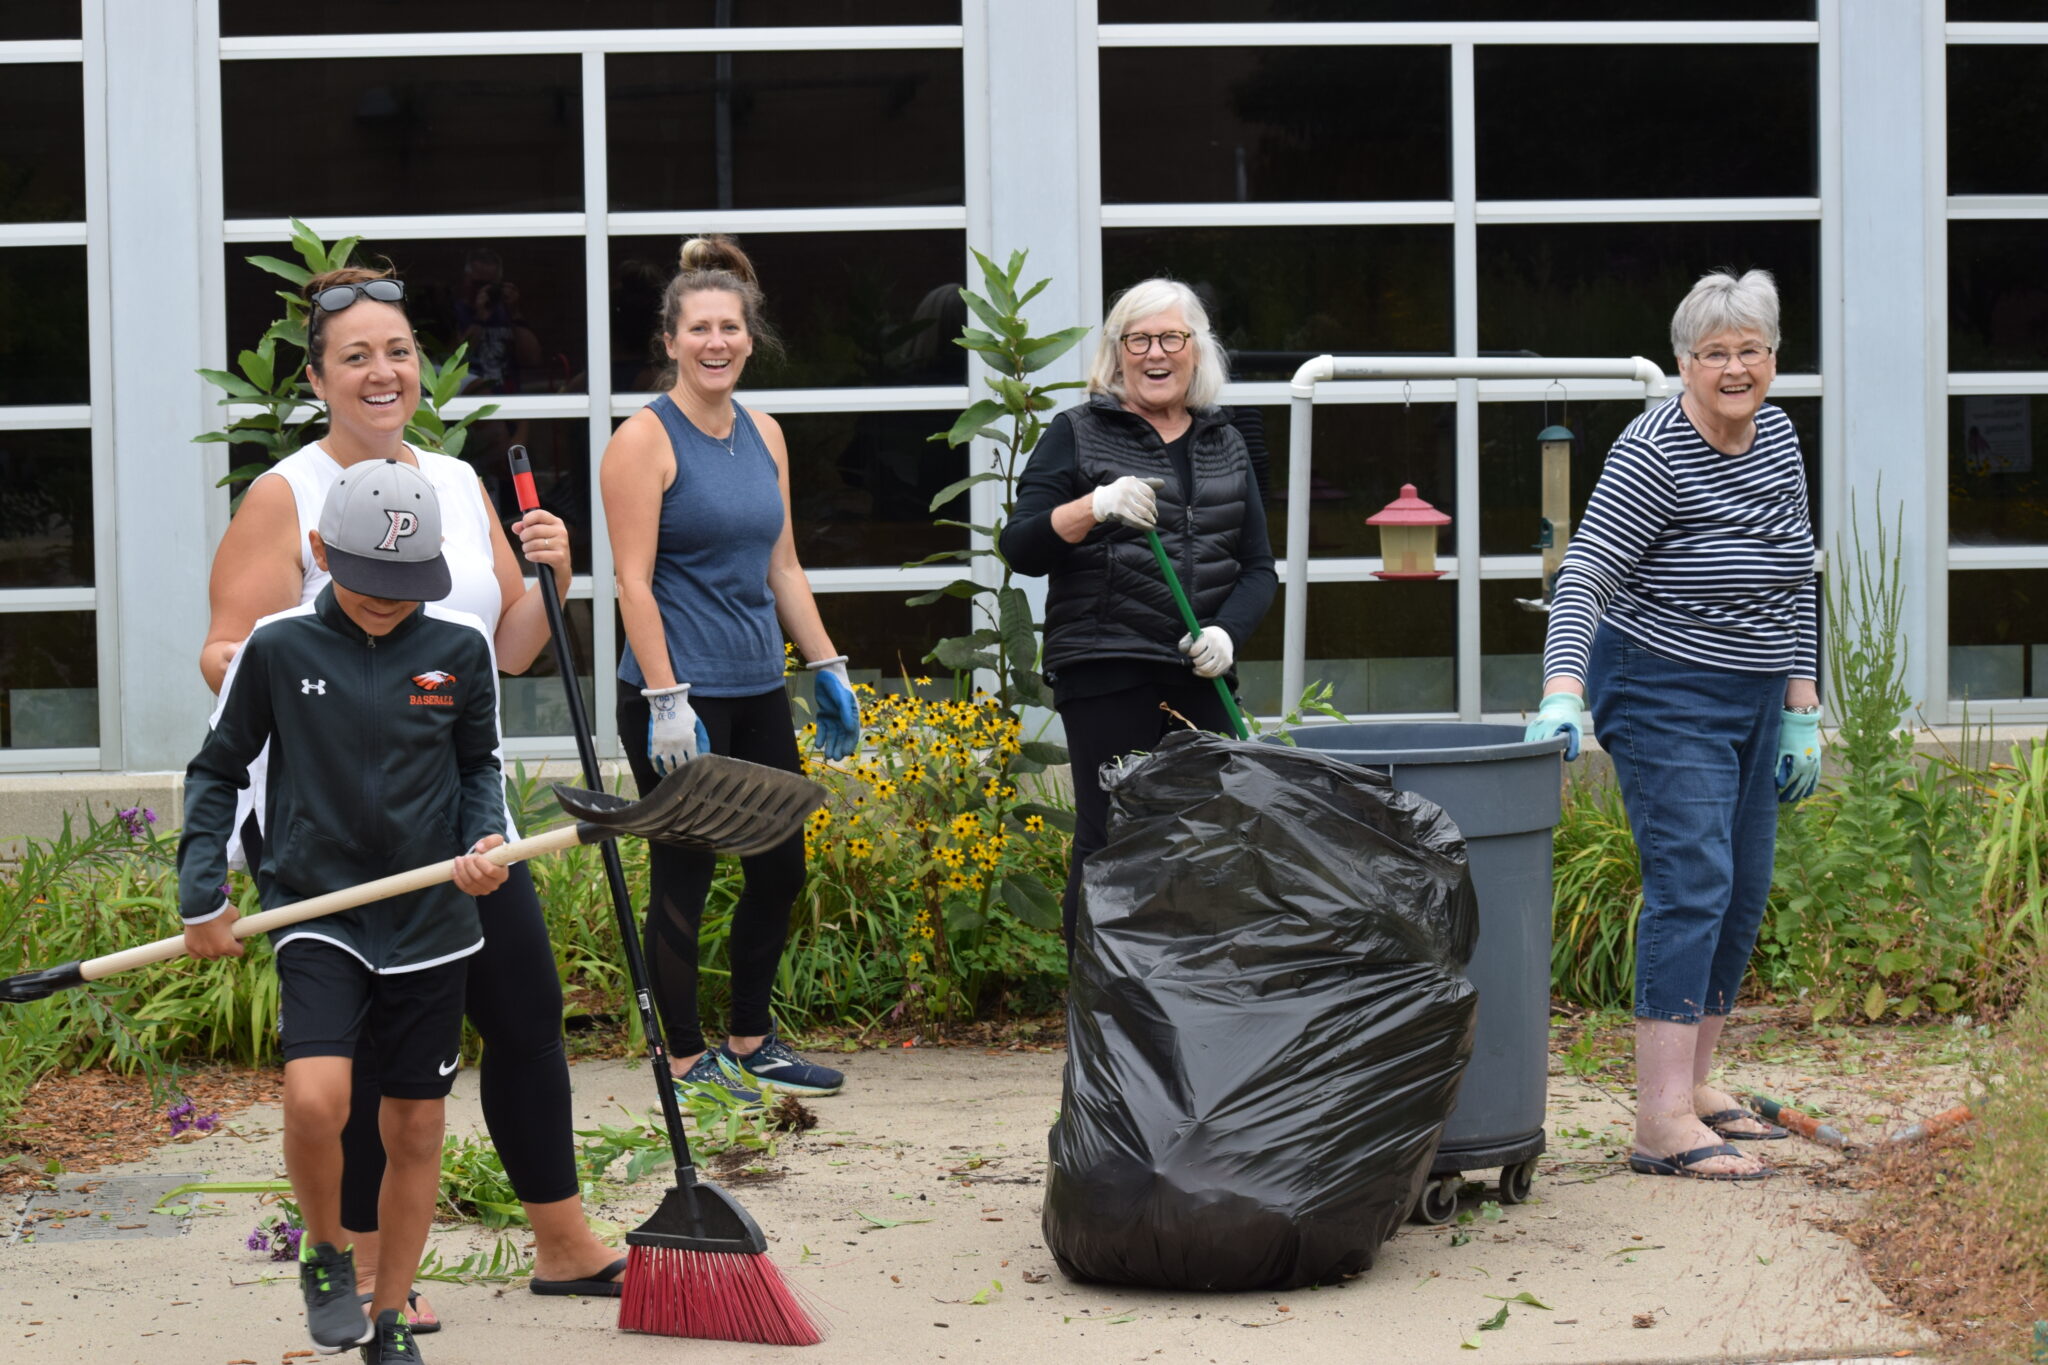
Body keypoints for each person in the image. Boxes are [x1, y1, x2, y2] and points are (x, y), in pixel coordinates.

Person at [199, 266, 624, 1325]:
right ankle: (376, 1267)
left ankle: (562, 1238)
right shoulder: (286, 496)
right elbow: (226, 654)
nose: (381, 372)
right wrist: (342, 693)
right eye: (356, 357)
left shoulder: (452, 481)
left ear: (421, 370)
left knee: (522, 1006)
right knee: (356, 1042)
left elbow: (507, 650)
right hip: (330, 823)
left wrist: (554, 579)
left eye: (397, 352)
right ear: (317, 378)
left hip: (457, 808)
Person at [179, 460, 509, 1362]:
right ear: (321, 552)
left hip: (432, 918)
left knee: (415, 1125)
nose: (385, 604)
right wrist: (200, 887)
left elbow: (481, 767)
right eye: (366, 585)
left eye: (404, 588)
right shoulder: (279, 647)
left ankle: (390, 1313)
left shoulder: (456, 648)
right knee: (317, 1098)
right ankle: (327, 1252)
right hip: (317, 904)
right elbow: (216, 771)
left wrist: (485, 845)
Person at [1525, 268, 1822, 1182]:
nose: (1736, 368)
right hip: (1660, 685)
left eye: (1752, 351)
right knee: (1693, 877)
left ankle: (1695, 1088)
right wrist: (1564, 687)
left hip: (1754, 692)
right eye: (1715, 353)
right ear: (1683, 363)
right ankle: (1657, 1120)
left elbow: (1796, 572)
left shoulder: (1776, 435)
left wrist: (1803, 703)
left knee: (1742, 886)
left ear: (1774, 358)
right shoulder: (1652, 451)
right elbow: (1586, 575)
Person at [601, 234, 858, 1103]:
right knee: (688, 869)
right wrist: (667, 697)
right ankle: (682, 1061)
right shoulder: (643, 440)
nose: (717, 342)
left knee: (778, 866)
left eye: (731, 328)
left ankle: (750, 1040)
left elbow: (782, 566)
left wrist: (827, 663)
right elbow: (631, 582)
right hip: (677, 694)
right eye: (699, 328)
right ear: (670, 340)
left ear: (751, 337)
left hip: (754, 684)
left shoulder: (766, 433)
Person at [998, 278, 1277, 941]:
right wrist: (1093, 507)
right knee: (1110, 841)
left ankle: (1178, 1017)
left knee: (1207, 846)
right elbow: (1021, 545)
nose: (1156, 353)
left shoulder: (1227, 439)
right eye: (1139, 339)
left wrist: (1227, 634)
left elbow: (1259, 566)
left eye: (1171, 338)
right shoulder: (1078, 433)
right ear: (1117, 352)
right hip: (1105, 663)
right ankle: (1097, 1027)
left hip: (1198, 674)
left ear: (1197, 349)